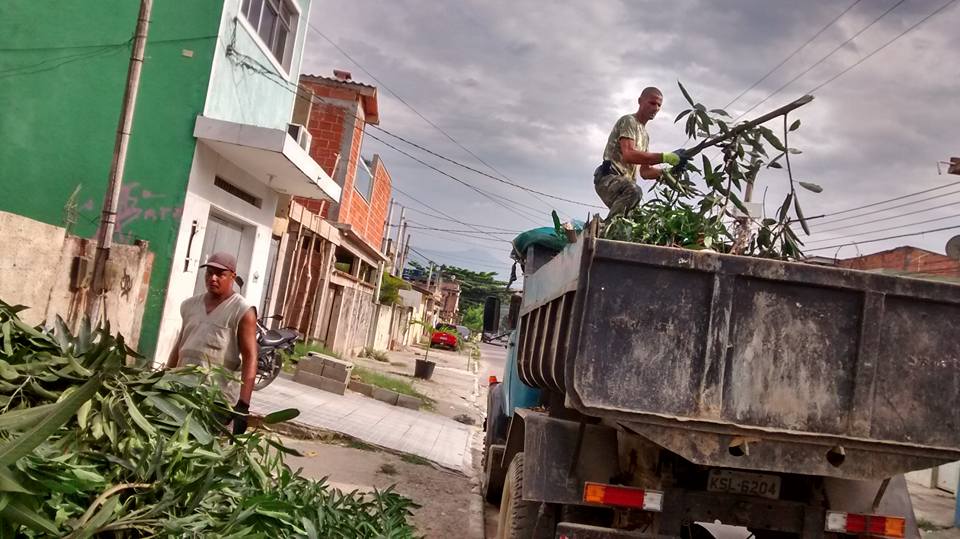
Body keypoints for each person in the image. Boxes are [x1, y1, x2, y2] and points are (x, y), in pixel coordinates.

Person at [166, 252, 258, 434]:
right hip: (182, 390)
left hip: (215, 398)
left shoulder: (242, 311)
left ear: (232, 276)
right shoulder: (189, 305)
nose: (213, 278)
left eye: (220, 274)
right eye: (209, 273)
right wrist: (164, 379)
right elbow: (180, 345)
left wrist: (243, 405)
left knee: (201, 446)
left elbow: (250, 358)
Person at [595, 86, 688, 219]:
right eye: (652, 103)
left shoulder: (645, 135)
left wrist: (667, 174)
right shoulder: (629, 121)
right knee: (634, 192)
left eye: (659, 105)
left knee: (639, 219)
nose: (655, 107)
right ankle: (608, 233)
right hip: (608, 178)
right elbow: (629, 154)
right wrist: (665, 157)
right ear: (640, 101)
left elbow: (645, 172)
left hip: (624, 185)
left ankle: (615, 231)